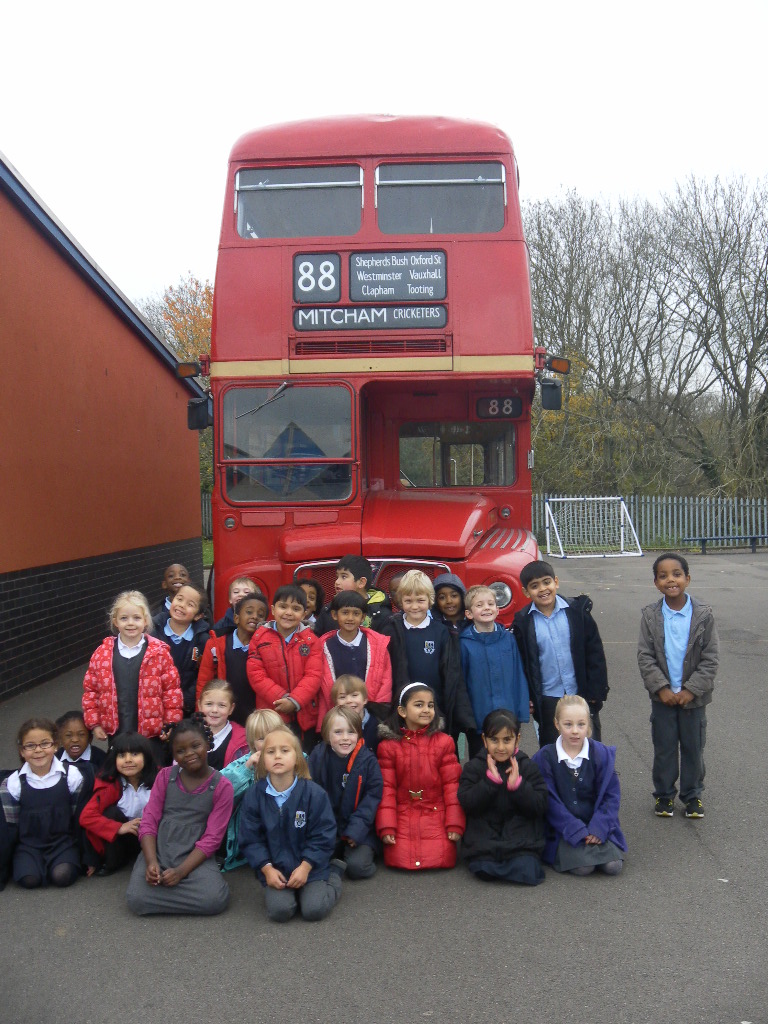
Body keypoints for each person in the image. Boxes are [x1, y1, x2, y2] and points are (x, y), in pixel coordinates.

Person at [637, 552, 718, 819]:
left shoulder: (703, 616)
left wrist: (691, 689)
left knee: (694, 748)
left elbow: (710, 658)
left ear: (687, 578)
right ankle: (664, 795)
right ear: (656, 582)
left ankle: (692, 796)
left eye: (676, 574)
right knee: (665, 748)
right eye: (663, 576)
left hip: (693, 699)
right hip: (663, 699)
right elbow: (645, 656)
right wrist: (661, 688)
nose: (671, 580)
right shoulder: (650, 615)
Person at [126, 717, 233, 916]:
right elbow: (149, 822)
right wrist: (151, 863)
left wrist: (181, 872)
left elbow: (212, 839)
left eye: (195, 746)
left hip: (195, 855)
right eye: (180, 751)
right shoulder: (166, 776)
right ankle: (166, 886)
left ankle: (164, 893)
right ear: (173, 754)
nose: (189, 754)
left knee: (215, 899)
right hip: (160, 850)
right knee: (135, 899)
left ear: (208, 744)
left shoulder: (222, 786)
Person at [238, 728, 343, 922]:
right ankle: (287, 890)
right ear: (262, 760)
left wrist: (306, 867)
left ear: (297, 758)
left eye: (285, 751)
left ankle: (334, 874)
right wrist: (267, 869)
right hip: (276, 870)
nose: (277, 756)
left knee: (314, 910)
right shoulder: (254, 795)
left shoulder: (314, 794)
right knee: (280, 911)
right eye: (270, 752)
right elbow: (250, 839)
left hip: (311, 867)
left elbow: (324, 835)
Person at [512, 560, 609, 747]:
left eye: (546, 582)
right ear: (526, 592)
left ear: (556, 582)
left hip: (580, 693)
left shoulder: (578, 613)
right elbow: (524, 664)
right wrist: (529, 696)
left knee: (590, 747)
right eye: (534, 586)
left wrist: (596, 691)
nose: (542, 589)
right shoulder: (523, 623)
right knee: (553, 751)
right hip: (549, 698)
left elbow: (595, 653)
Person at [82, 590, 183, 766]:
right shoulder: (102, 654)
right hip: (117, 730)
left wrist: (170, 724)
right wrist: (95, 724)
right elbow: (91, 691)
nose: (130, 623)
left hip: (151, 733)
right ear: (115, 621)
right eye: (124, 618)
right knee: (121, 770)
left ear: (145, 621)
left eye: (136, 618)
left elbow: (171, 692)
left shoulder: (160, 653)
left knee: (151, 771)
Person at [532, 695, 626, 876]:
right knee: (584, 868)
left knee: (613, 867)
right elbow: (550, 802)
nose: (575, 731)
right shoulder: (545, 758)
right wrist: (575, 830)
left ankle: (596, 841)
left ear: (588, 725)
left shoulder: (601, 754)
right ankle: (569, 850)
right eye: (568, 725)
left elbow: (611, 796)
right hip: (564, 829)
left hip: (597, 824)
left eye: (581, 724)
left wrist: (598, 829)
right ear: (556, 724)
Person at [375, 683, 465, 870]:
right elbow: (387, 789)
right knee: (397, 857)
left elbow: (452, 787)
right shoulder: (388, 746)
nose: (426, 710)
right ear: (402, 711)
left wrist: (454, 824)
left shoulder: (445, 742)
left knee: (443, 856)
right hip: (402, 813)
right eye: (419, 705)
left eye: (430, 705)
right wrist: (387, 826)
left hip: (435, 812)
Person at [380, 570, 475, 741]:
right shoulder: (390, 630)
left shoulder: (442, 632)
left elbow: (452, 675)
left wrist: (461, 714)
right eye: (408, 601)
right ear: (400, 601)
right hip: (402, 710)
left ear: (430, 600)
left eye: (420, 600)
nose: (415, 606)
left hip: (434, 710)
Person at [458, 709, 547, 884]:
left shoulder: (527, 766)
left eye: (507, 740)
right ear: (484, 740)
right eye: (494, 740)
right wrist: (489, 783)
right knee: (483, 866)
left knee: (526, 868)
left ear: (517, 739)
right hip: (485, 836)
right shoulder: (474, 767)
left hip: (519, 836)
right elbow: (467, 803)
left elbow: (541, 805)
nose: (500, 747)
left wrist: (519, 787)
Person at [0, 718, 83, 888]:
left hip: (63, 843)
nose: (38, 750)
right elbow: (10, 826)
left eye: (45, 744)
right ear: (22, 751)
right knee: (29, 880)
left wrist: (89, 856)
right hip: (28, 846)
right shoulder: (13, 783)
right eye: (30, 746)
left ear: (55, 745)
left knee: (62, 876)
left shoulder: (71, 775)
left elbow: (78, 815)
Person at [308, 707, 383, 880]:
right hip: (328, 827)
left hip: (360, 828)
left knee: (358, 868)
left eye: (351, 732)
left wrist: (356, 830)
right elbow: (311, 796)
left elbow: (372, 799)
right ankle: (336, 859)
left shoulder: (368, 761)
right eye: (338, 732)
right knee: (314, 861)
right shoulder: (317, 757)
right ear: (327, 734)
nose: (345, 738)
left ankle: (366, 853)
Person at [246, 584, 323, 751]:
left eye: (295, 608)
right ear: (273, 609)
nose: (288, 612)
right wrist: (281, 697)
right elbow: (256, 674)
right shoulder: (259, 638)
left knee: (302, 756)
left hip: (304, 713)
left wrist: (294, 700)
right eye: (283, 606)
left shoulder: (311, 640)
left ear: (304, 614)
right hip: (272, 711)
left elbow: (314, 675)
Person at [460, 586, 529, 757]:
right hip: (479, 718)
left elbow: (518, 675)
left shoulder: (508, 639)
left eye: (491, 604)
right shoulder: (464, 643)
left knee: (508, 757)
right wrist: (466, 717)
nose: (486, 608)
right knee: (480, 760)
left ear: (498, 610)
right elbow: (462, 681)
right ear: (469, 614)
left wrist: (521, 709)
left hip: (508, 713)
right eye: (480, 605)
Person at [79, 732, 157, 875]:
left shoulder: (160, 779)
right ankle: (114, 861)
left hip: (154, 835)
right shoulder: (110, 783)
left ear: (146, 756)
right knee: (110, 812)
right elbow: (86, 816)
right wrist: (119, 827)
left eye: (134, 754)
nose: (127, 760)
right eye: (121, 755)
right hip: (125, 838)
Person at [219, 709, 283, 872]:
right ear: (252, 743)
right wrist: (246, 769)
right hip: (252, 830)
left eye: (273, 734)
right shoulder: (245, 762)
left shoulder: (296, 757)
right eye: (262, 738)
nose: (269, 742)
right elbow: (221, 789)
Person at [317, 590, 392, 724]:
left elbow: (385, 679)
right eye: (345, 613)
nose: (350, 618)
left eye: (356, 613)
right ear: (334, 615)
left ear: (363, 617)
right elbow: (322, 683)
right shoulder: (324, 646)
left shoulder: (376, 644)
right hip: (336, 713)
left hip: (369, 712)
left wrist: (378, 709)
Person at [196, 592, 268, 720]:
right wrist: (200, 715)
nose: (255, 616)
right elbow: (203, 681)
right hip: (223, 714)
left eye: (260, 615)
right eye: (249, 612)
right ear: (236, 618)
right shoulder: (215, 645)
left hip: (254, 715)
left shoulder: (267, 648)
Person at [154, 582, 210, 715]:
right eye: (179, 599)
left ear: (198, 615)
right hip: (154, 702)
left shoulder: (202, 640)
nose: (182, 605)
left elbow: (202, 674)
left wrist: (186, 700)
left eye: (190, 604)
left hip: (184, 706)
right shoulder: (152, 632)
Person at [313, 555, 388, 636]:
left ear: (361, 582)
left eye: (344, 576)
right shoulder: (328, 611)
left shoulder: (380, 614)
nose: (337, 582)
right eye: (337, 577)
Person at [197, 680, 249, 770]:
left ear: (231, 709)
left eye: (221, 705)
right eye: (209, 704)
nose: (214, 710)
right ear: (199, 705)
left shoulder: (243, 740)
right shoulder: (188, 734)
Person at [331, 674, 382, 753]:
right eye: (342, 697)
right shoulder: (332, 727)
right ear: (336, 703)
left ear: (365, 699)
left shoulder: (377, 726)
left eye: (354, 695)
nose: (349, 700)